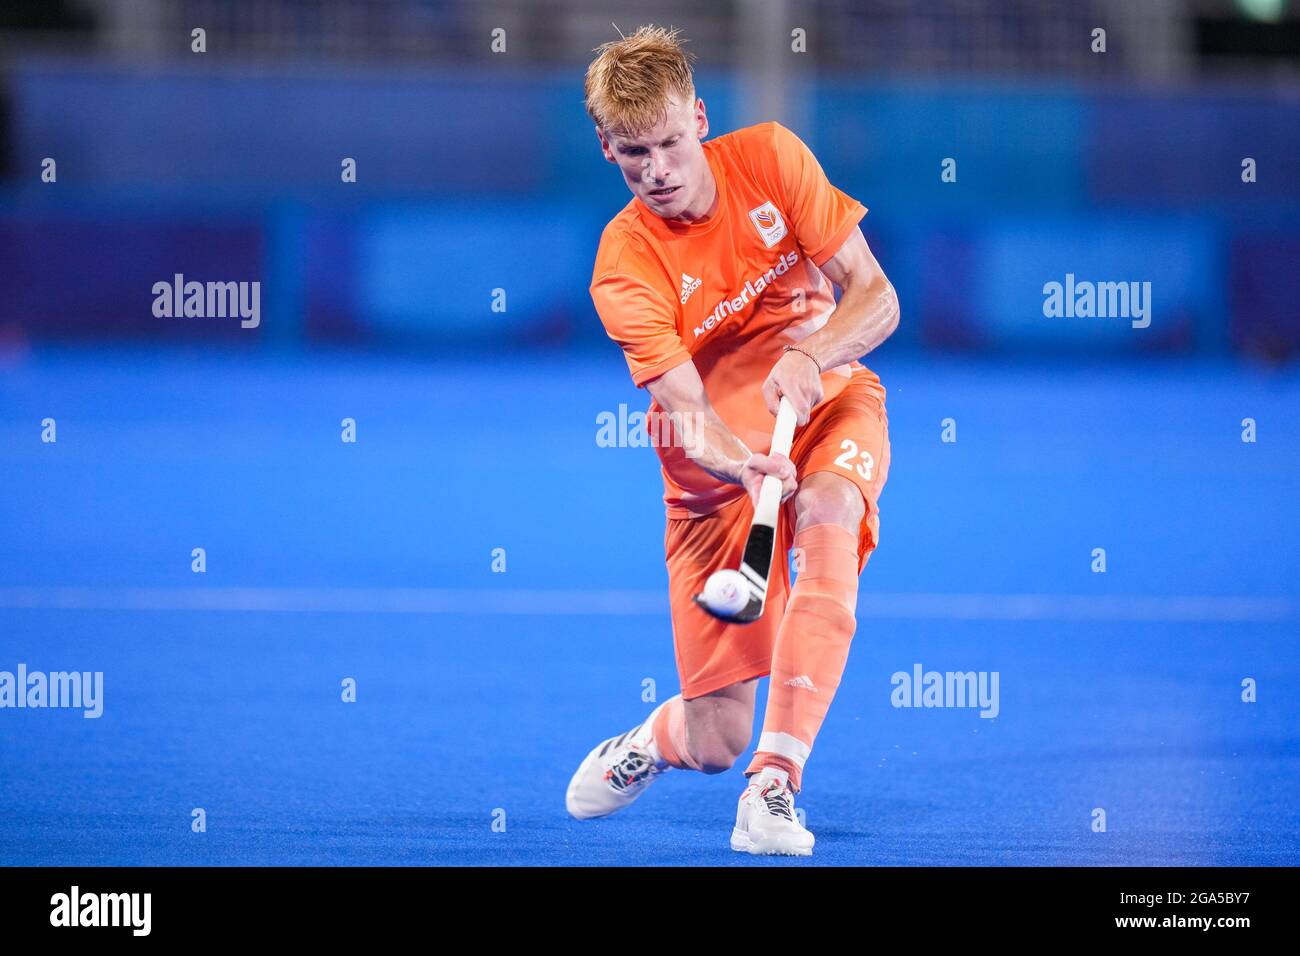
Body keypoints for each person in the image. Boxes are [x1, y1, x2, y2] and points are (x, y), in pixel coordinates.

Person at [566, 25, 899, 856]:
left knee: (829, 515)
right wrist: (741, 463)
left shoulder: (774, 160)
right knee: (716, 738)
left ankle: (774, 789)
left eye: (673, 142)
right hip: (714, 480)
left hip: (826, 404)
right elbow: (684, 409)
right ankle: (659, 740)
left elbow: (877, 299)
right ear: (606, 149)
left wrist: (812, 353)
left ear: (701, 119)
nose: (661, 170)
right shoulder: (624, 263)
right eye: (635, 152)